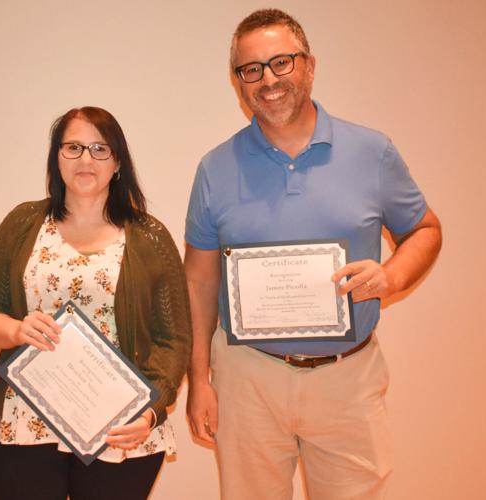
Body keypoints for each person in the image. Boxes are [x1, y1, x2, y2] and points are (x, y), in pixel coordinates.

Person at [184, 9, 443, 500]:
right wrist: (199, 378)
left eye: (282, 62)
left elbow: (426, 229)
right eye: (251, 69)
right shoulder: (215, 168)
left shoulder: (372, 151)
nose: (268, 80)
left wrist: (392, 276)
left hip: (347, 378)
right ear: (237, 81)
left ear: (309, 65)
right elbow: (198, 279)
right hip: (247, 378)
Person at [0, 106, 191, 500]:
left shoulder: (150, 236)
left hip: (118, 426)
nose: (86, 159)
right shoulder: (22, 223)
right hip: (23, 423)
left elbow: (174, 339)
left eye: (100, 149)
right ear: (57, 157)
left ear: (118, 162)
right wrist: (16, 330)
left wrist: (151, 409)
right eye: (73, 147)